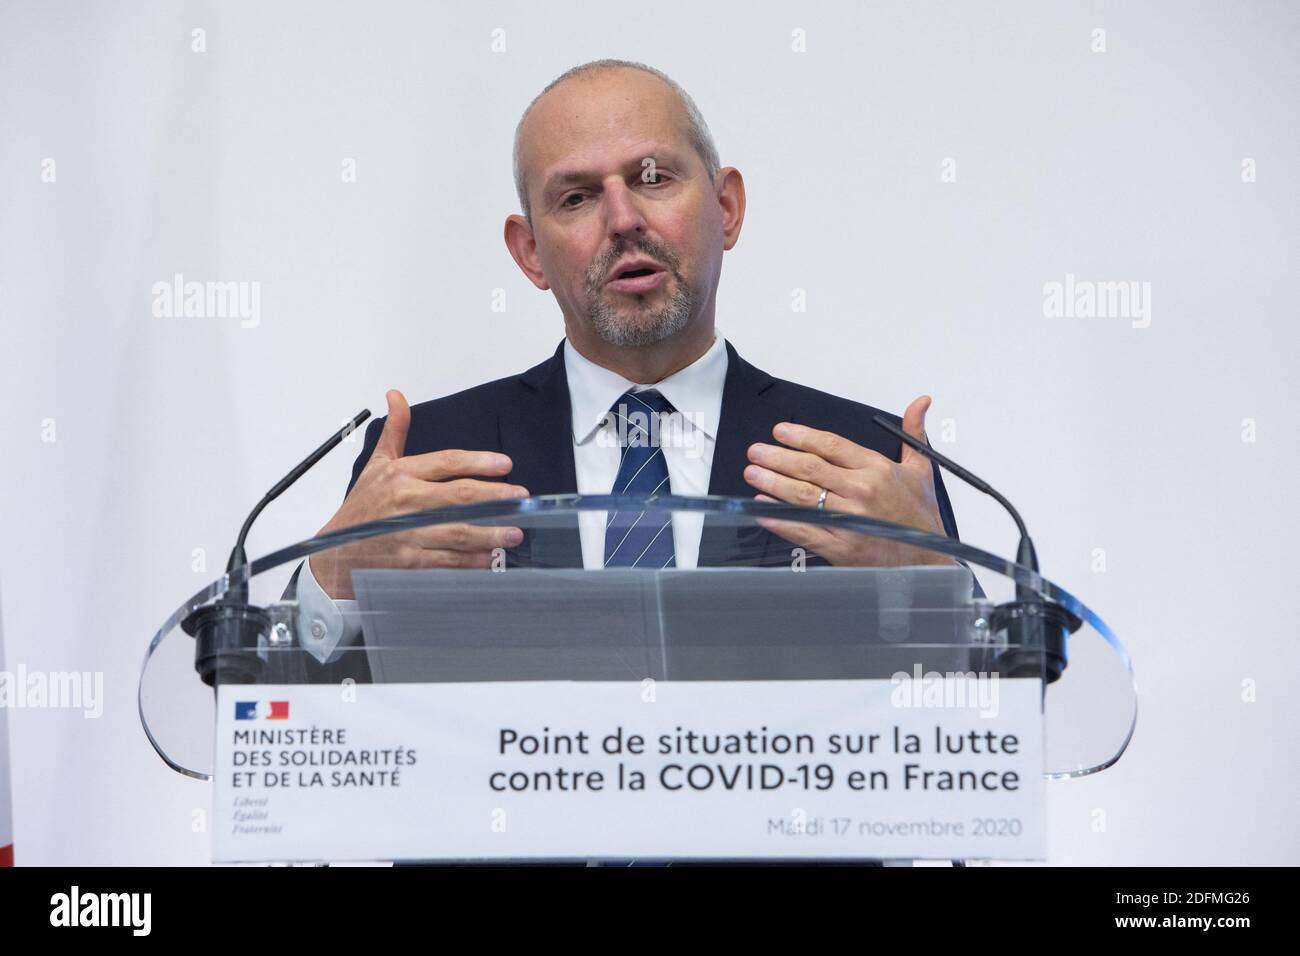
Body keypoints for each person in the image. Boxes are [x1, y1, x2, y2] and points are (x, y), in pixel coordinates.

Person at [291, 58, 961, 668]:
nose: (623, 219)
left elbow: (984, 736)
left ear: (726, 209)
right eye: (576, 197)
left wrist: (933, 582)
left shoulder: (867, 459)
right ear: (528, 254)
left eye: (654, 178)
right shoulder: (426, 460)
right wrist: (333, 580)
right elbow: (304, 739)